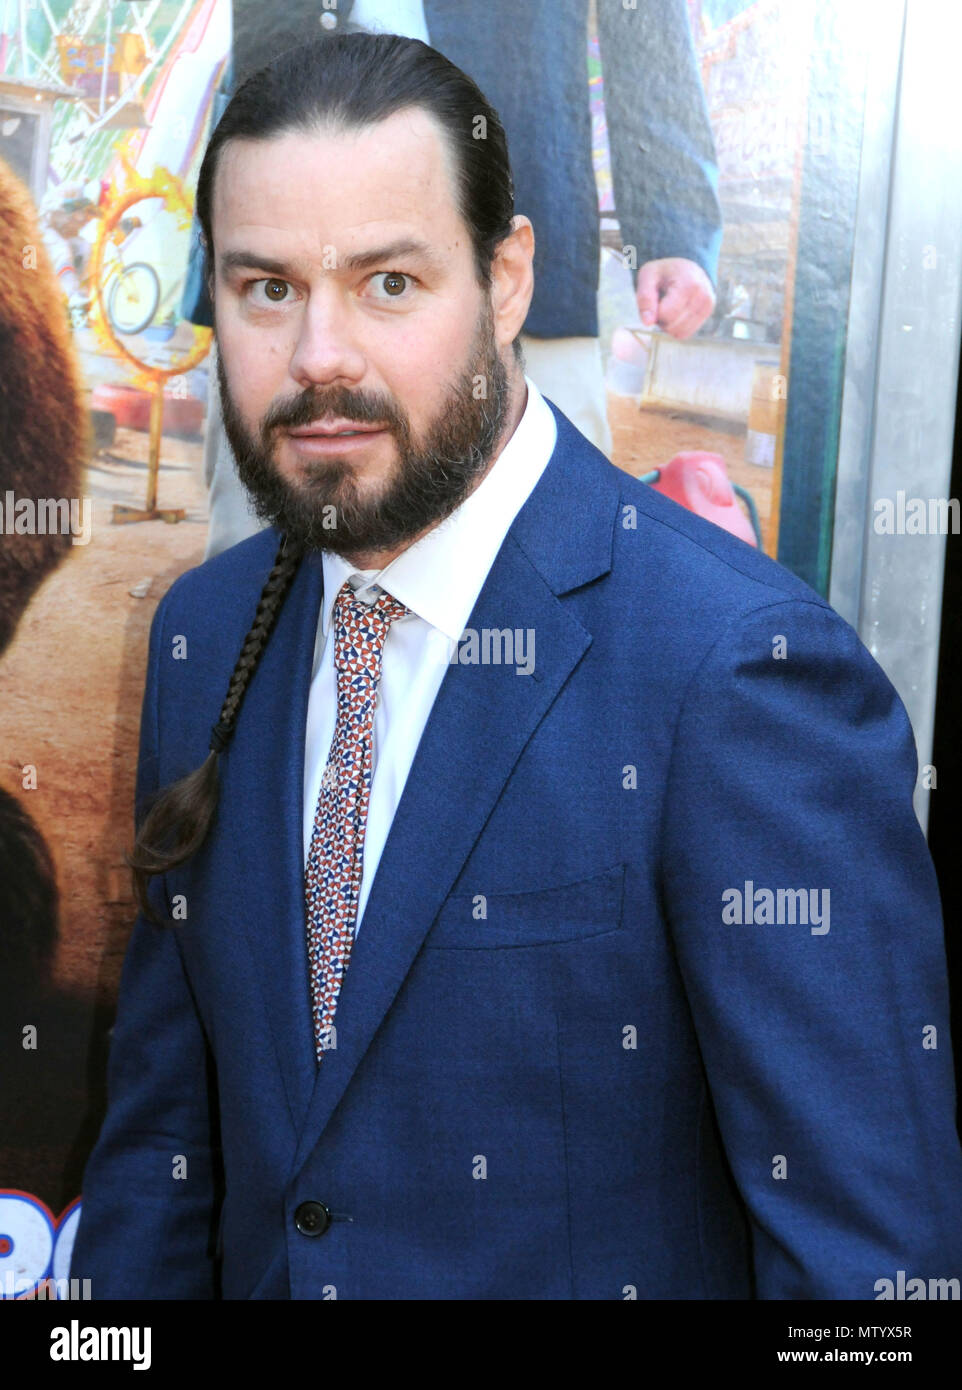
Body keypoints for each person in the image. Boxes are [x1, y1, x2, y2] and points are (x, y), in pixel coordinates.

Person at [70, 34, 962, 1300]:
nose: (319, 354)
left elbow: (868, 1280)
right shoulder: (206, 633)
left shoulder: (734, 671)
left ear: (505, 283)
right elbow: (163, 1155)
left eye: (387, 283)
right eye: (265, 288)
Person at [188, 0, 722, 556]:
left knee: (560, 552)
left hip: (518, 221)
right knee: (253, 562)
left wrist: (672, 224)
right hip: (274, 220)